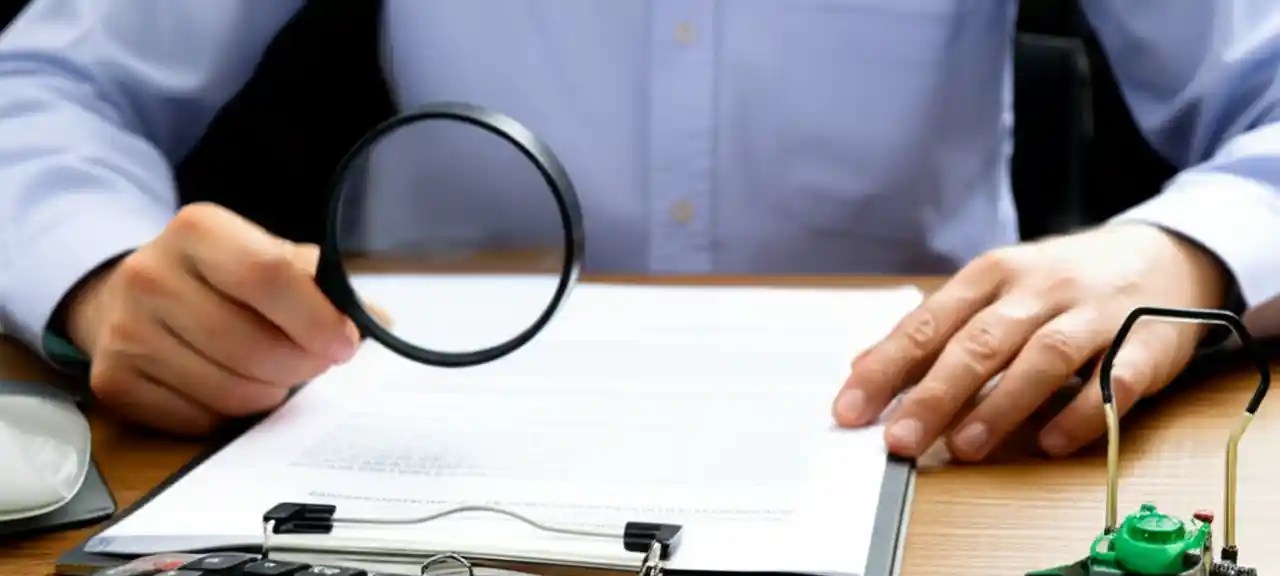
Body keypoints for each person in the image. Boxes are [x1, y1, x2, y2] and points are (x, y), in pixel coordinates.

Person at [0, 2, 1277, 463]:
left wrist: (1181, 254)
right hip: (393, 447)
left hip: (925, 441)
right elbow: (40, 89)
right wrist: (102, 276)